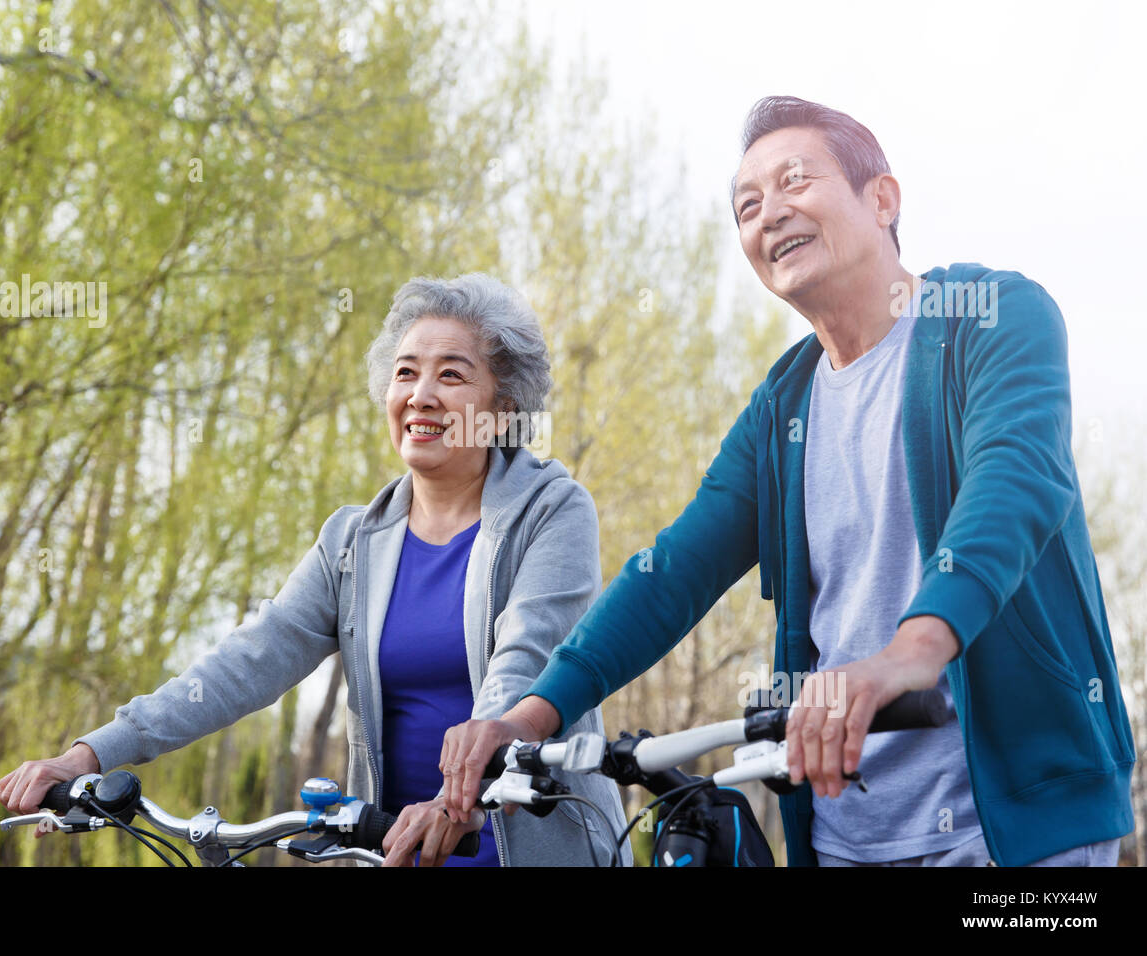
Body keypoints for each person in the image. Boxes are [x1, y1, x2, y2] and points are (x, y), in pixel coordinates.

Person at [438, 97, 1136, 867]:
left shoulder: (993, 317)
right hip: (843, 837)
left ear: (883, 199)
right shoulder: (784, 407)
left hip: (1017, 832)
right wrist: (531, 715)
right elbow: (671, 574)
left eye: (794, 181)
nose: (768, 213)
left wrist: (912, 649)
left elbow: (1014, 483)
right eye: (747, 205)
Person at [0, 273, 629, 867]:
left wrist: (455, 799)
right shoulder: (352, 542)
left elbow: (524, 664)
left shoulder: (552, 509)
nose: (421, 394)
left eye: (452, 375)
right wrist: (88, 754)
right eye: (405, 372)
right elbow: (248, 660)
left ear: (504, 406)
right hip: (394, 849)